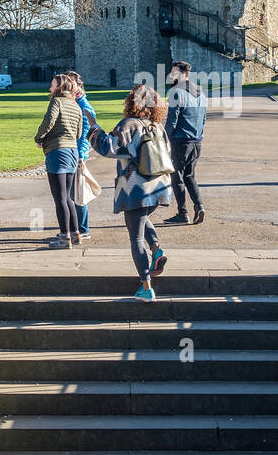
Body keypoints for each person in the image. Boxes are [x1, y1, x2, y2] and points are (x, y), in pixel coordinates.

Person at [85, 83, 173, 302]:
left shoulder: (129, 125)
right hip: (158, 187)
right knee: (142, 220)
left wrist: (93, 127)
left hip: (135, 188)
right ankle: (157, 250)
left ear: (132, 102)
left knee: (135, 237)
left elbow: (108, 148)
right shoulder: (157, 125)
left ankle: (146, 287)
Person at [34, 73, 83, 248]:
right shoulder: (75, 106)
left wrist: (39, 138)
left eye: (53, 85)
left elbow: (48, 122)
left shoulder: (57, 102)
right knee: (67, 197)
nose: (50, 88)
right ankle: (75, 233)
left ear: (60, 87)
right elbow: (78, 132)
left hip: (58, 152)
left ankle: (64, 238)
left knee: (60, 198)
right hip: (72, 152)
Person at [163, 60, 207, 225]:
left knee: (177, 177)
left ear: (183, 75)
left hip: (181, 141)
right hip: (196, 141)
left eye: (174, 72)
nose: (171, 75)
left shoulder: (176, 92)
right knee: (190, 176)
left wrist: (164, 139)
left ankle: (183, 213)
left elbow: (172, 121)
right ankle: (199, 205)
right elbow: (203, 120)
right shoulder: (200, 93)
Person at [64, 70, 96, 243]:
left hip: (78, 154)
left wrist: (81, 155)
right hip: (72, 152)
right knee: (70, 193)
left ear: (78, 85)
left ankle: (83, 229)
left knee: (78, 193)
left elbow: (87, 133)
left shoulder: (84, 105)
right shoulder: (75, 103)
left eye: (71, 83)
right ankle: (74, 228)